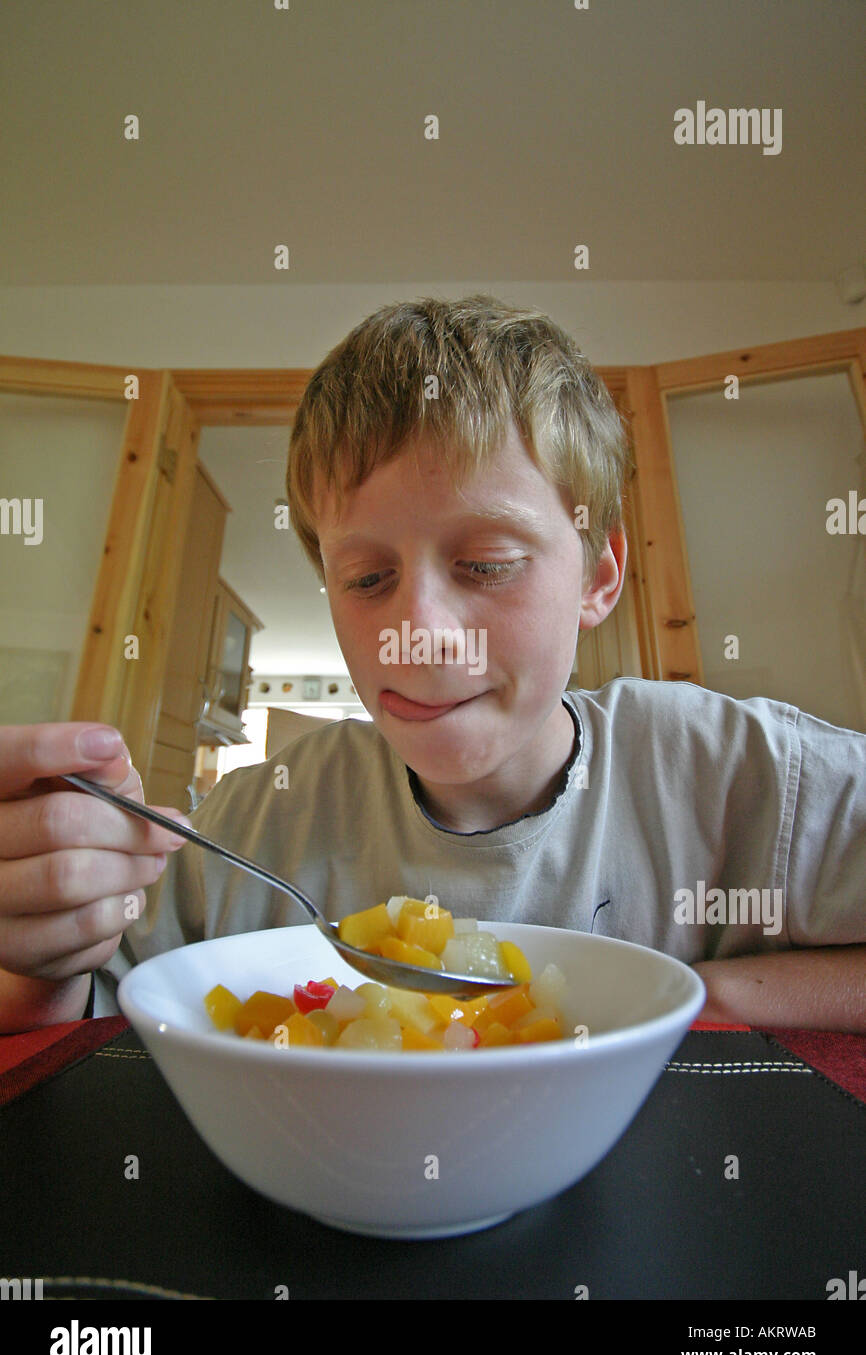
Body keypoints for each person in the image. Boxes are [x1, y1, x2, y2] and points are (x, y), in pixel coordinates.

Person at [1, 295, 864, 1035]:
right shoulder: (257, 827)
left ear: (599, 575)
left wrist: (711, 993)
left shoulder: (745, 774)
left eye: (486, 563)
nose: (418, 632)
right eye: (367, 577)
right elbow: (88, 1021)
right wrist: (46, 957)